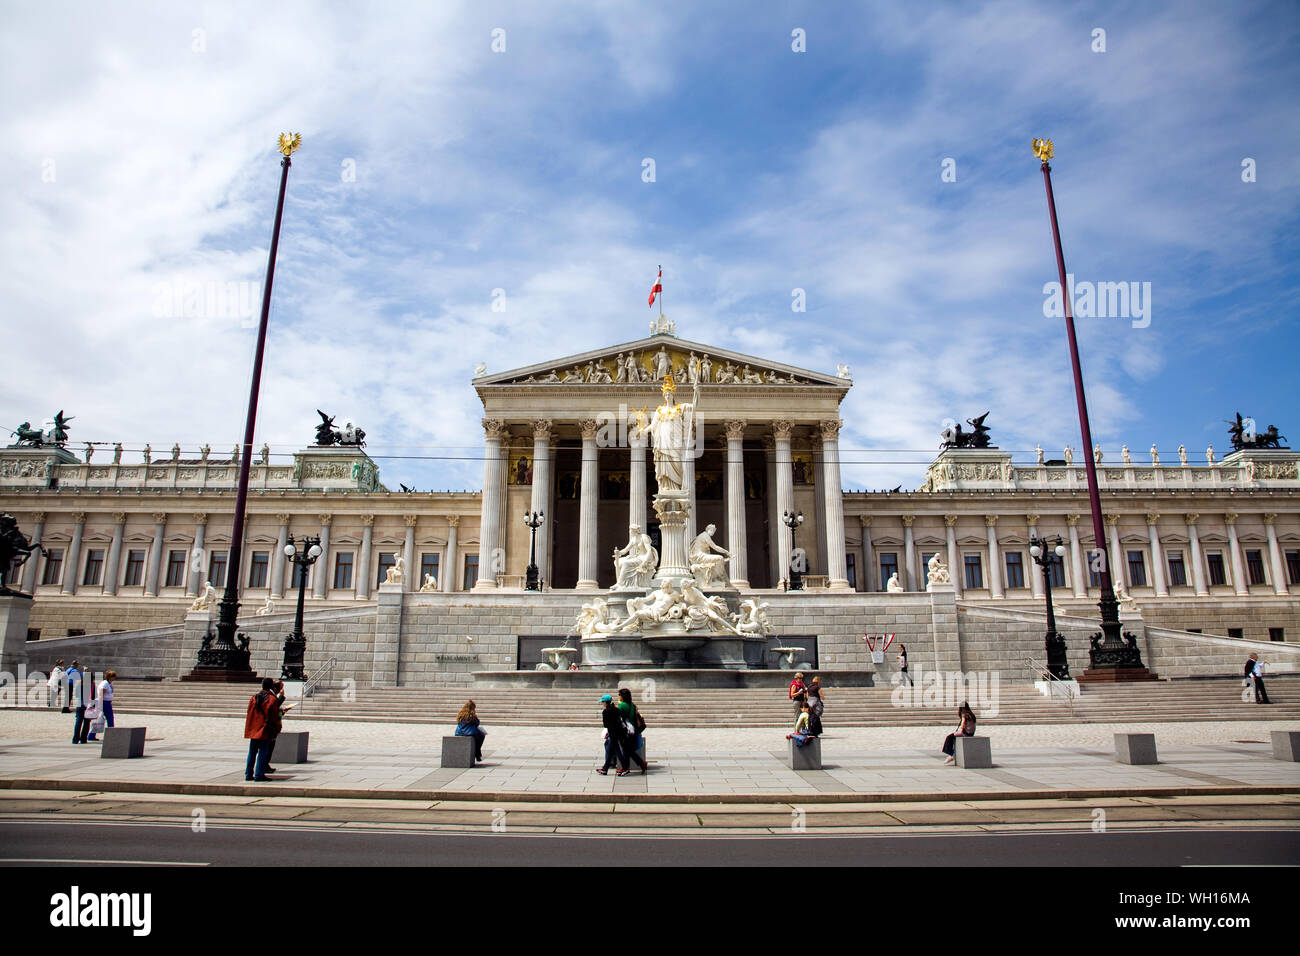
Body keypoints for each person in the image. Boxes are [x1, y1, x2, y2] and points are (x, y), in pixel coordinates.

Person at [244, 678, 282, 781]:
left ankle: (248, 774)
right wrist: (277, 727)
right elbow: (274, 716)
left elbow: (249, 714)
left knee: (252, 752)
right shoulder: (271, 699)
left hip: (254, 729)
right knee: (263, 752)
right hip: (265, 729)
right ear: (271, 687)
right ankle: (259, 774)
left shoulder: (254, 697)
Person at [615, 687, 648, 774]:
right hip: (633, 730)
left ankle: (641, 763)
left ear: (622, 696)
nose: (618, 696)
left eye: (619, 695)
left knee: (627, 749)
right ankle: (626, 767)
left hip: (625, 730)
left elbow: (618, 717)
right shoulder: (632, 705)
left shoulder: (622, 705)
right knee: (627, 749)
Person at [597, 694, 630, 776]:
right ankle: (605, 769)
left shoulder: (605, 711)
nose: (602, 703)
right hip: (620, 732)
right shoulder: (616, 709)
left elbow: (606, 725)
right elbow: (623, 716)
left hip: (613, 734)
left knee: (617, 751)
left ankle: (625, 768)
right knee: (611, 751)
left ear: (605, 702)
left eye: (603, 702)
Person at [71, 667, 96, 744]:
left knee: (78, 722)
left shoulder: (80, 684)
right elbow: (94, 696)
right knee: (86, 723)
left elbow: (76, 695)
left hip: (80, 704)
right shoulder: (93, 685)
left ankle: (75, 739)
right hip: (88, 705)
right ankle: (83, 739)